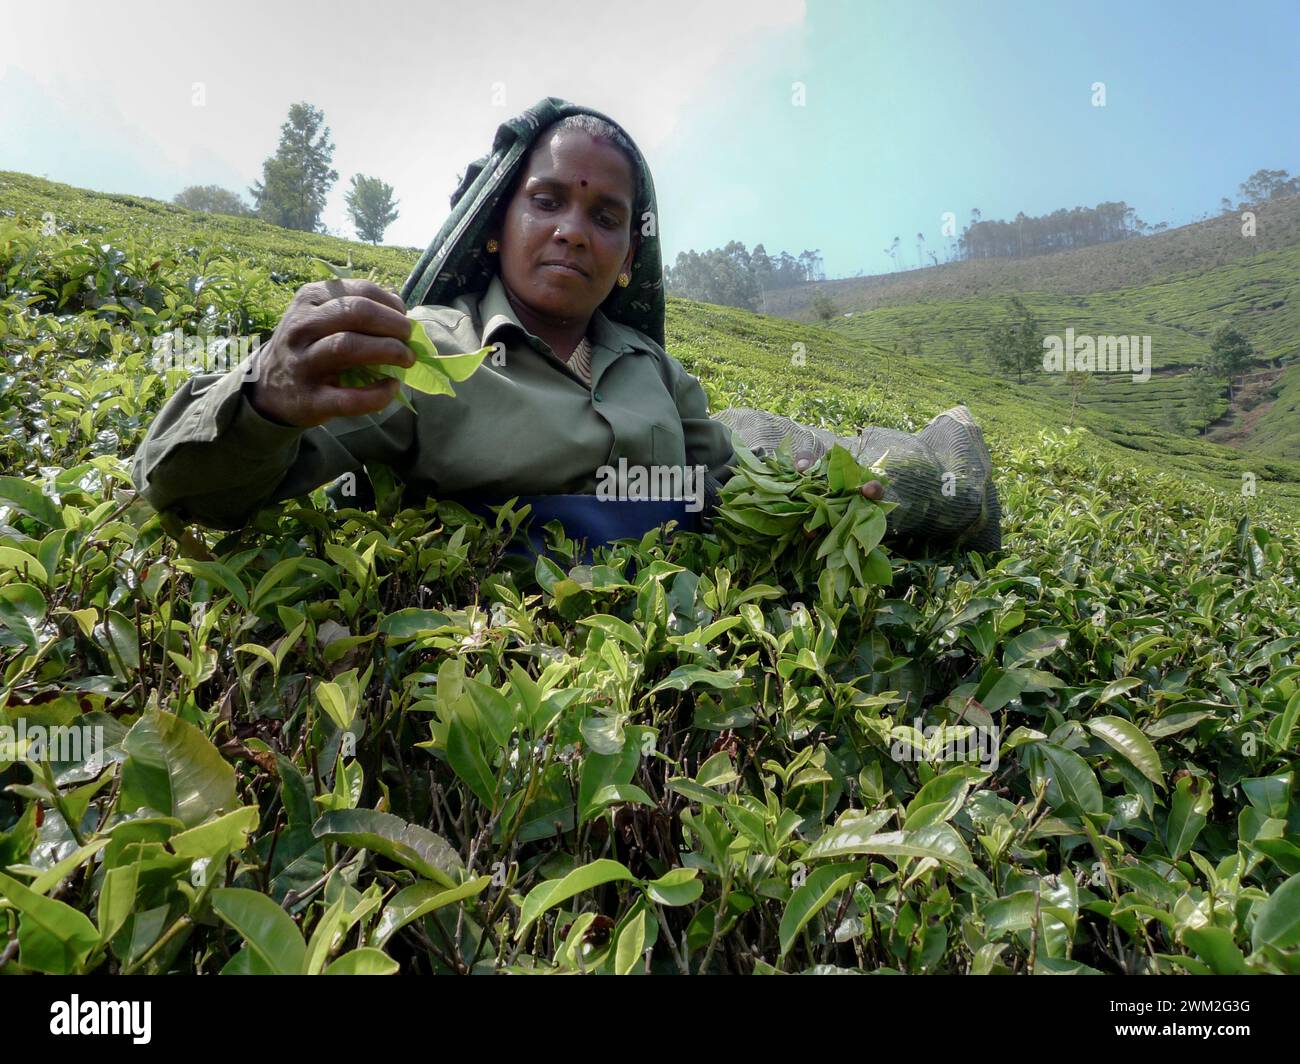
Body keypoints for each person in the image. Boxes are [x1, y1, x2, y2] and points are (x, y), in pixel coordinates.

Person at [131, 97, 1000, 561]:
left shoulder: (649, 367)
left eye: (606, 215)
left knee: (886, 477)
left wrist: (826, 497)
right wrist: (265, 403)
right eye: (546, 201)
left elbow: (725, 470)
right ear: (500, 223)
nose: (573, 230)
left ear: (627, 255)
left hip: (719, 484)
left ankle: (952, 447)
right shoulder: (423, 347)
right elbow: (187, 491)